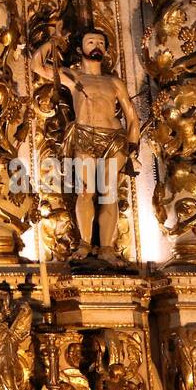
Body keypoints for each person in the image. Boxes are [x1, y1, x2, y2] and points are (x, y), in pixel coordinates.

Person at [32, 27, 140, 263]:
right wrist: (53, 42)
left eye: (100, 43)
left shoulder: (114, 82)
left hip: (113, 139)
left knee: (109, 193)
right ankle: (84, 244)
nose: (96, 46)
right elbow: (37, 66)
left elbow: (132, 116)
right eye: (91, 42)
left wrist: (133, 148)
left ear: (106, 50)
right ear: (80, 48)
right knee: (85, 191)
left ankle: (107, 248)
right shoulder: (73, 77)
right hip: (84, 137)